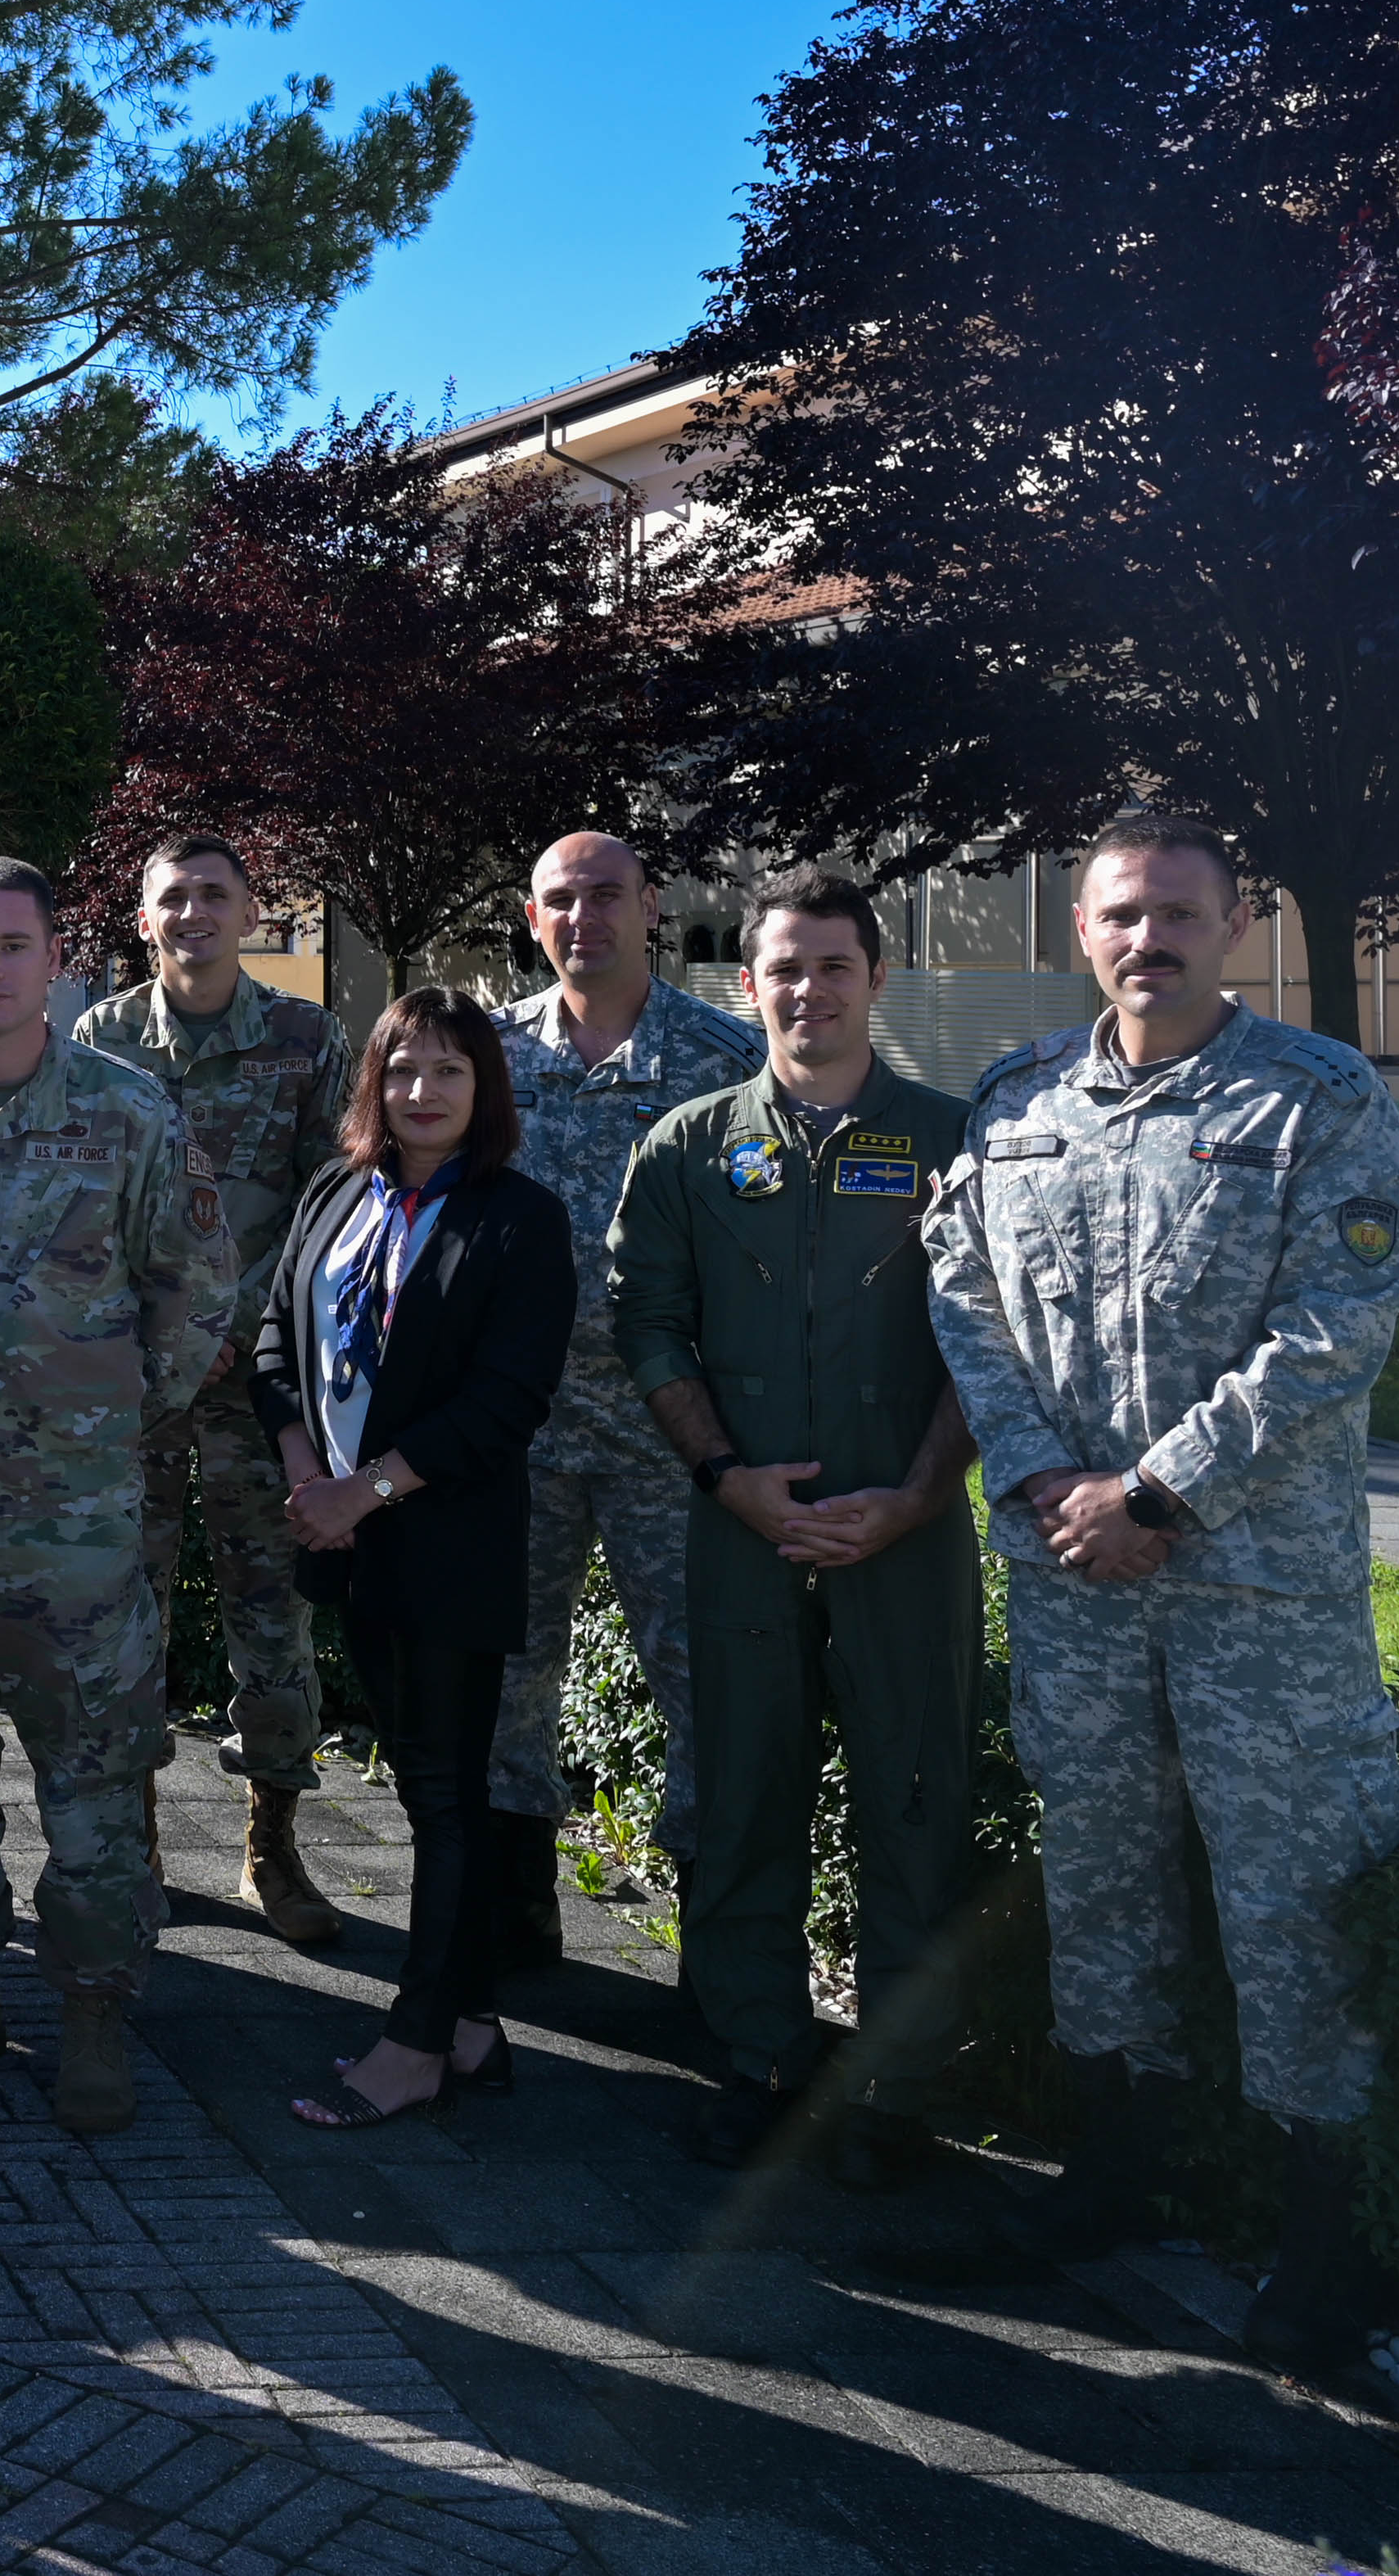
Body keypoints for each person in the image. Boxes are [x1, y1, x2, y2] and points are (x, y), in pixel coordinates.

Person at [924, 814, 1399, 2378]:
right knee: (1100, 1871)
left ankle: (1324, 2240)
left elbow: (1338, 1325)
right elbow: (962, 1296)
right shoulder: (1017, 1104)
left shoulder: (1319, 1099)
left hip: (1258, 1588)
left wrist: (1155, 1492)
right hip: (1072, 1577)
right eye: (1123, 915)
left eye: (1180, 915)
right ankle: (1115, 2171)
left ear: (1235, 925)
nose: (1150, 940)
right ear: (1081, 931)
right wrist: (1041, 1481)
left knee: (1290, 1893)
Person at [607, 868, 980, 2184]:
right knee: (744, 1792)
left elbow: (994, 1340)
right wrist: (727, 1476)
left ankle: (897, 2088)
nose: (807, 990)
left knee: (915, 1799)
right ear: (747, 982)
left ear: (878, 976)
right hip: (744, 1530)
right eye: (783, 968)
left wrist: (918, 1495)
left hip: (908, 1532)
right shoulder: (687, 1144)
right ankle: (759, 2057)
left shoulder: (957, 1138)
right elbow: (648, 1322)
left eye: (833, 965)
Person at [0, 861, 233, 2132]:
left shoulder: (128, 1113)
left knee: (91, 1782)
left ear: (54, 958)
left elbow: (200, 1289)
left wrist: (107, 1422)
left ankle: (95, 2016)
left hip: (71, 1527)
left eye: (14, 945)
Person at [251, 988, 572, 2128]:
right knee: (427, 1782)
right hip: (344, 1538)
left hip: (447, 1545)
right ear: (371, 1083)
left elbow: (504, 1400)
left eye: (447, 1070)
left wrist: (366, 1488)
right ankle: (473, 2025)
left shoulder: (519, 1218)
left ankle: (416, 2041)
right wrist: (307, 1471)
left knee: (443, 1796)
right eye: (400, 1069)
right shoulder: (335, 1191)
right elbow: (274, 1339)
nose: (421, 1091)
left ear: (485, 1088)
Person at [486, 832, 761, 1953]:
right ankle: (511, 1913)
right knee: (506, 1667)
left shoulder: (727, 1058)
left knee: (701, 1673)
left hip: (672, 1429)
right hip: (518, 1425)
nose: (583, 916)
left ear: (652, 906)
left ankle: (718, 1934)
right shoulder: (486, 1055)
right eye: (561, 898)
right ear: (532, 916)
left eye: (608, 894)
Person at [77, 832, 352, 1948]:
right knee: (122, 1610)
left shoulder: (305, 1039)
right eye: (172, 898)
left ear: (249, 912)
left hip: (258, 1383)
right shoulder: (99, 1040)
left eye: (212, 895)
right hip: (139, 1378)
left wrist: (233, 1326)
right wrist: (170, 1328)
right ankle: (138, 1839)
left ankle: (270, 1844)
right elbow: (84, 1209)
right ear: (143, 918)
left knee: (271, 1613)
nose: (192, 913)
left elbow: (331, 1202)